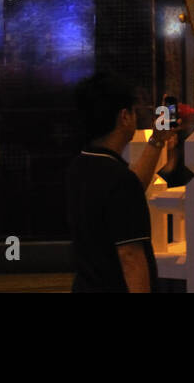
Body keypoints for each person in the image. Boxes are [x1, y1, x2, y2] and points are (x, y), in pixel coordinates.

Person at [65, 74, 170, 293]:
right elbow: (130, 257)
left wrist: (158, 139)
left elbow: (127, 192)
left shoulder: (79, 166)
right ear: (124, 116)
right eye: (134, 111)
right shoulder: (119, 180)